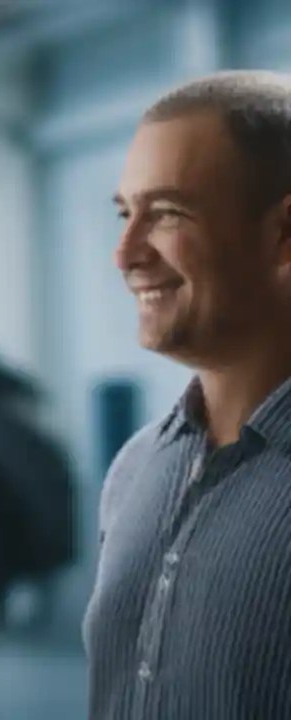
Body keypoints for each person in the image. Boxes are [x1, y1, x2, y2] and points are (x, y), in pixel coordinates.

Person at [86, 70, 291, 719]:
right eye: (126, 213)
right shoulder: (134, 471)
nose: (125, 253)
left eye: (168, 213)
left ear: (285, 234)